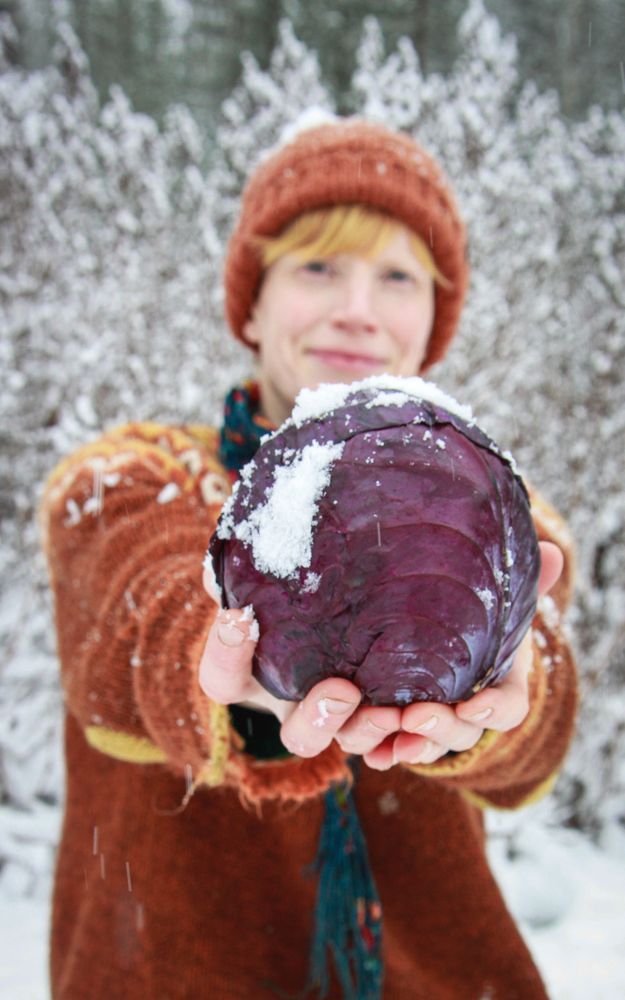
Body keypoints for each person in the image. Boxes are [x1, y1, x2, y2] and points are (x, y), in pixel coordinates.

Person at [41, 119, 577, 999]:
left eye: (398, 276)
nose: (357, 307)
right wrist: (228, 664)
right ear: (250, 302)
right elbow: (137, 611)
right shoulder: (127, 478)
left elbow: (540, 715)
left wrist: (508, 700)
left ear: (433, 320)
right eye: (316, 267)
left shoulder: (492, 512)